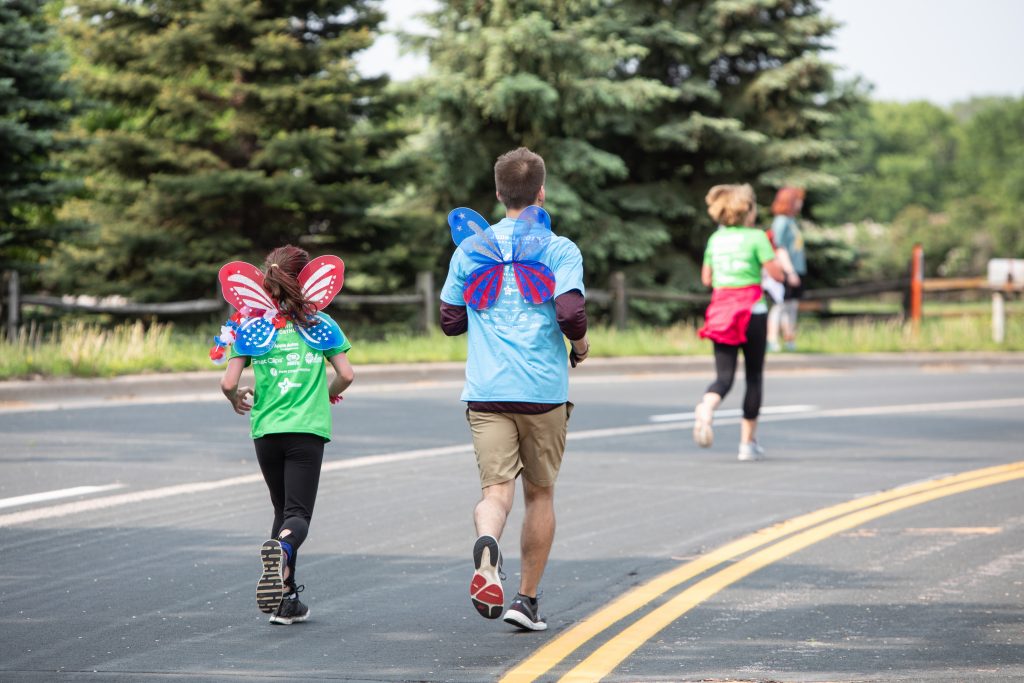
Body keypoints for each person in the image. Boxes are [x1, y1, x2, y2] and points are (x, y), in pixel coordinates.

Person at [440, 147, 589, 631]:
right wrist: (581, 346)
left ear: (499, 193)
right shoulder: (558, 248)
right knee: (540, 495)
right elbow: (569, 313)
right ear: (541, 193)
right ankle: (525, 601)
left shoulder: (470, 248)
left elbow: (449, 319)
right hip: (543, 392)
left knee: (495, 492)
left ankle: (488, 548)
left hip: (486, 391)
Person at [217, 245, 354, 625]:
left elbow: (229, 382)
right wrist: (322, 394)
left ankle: (285, 598)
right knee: (297, 515)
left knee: (281, 509)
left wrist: (237, 398)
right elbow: (347, 374)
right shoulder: (320, 323)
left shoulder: (253, 325)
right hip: (306, 430)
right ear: (304, 278)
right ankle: (284, 548)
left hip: (266, 431)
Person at [693, 184, 785, 462]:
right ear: (747, 210)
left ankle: (707, 407)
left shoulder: (715, 240)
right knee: (753, 377)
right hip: (752, 312)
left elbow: (707, 279)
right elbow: (777, 274)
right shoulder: (757, 237)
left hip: (721, 313)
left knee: (724, 377)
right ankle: (747, 444)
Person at [767, 187, 806, 351]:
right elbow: (779, 248)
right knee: (780, 306)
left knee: (791, 306)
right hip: (786, 271)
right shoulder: (781, 221)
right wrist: (789, 271)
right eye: (798, 199)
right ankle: (772, 340)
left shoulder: (792, 221)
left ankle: (790, 339)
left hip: (797, 270)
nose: (801, 203)